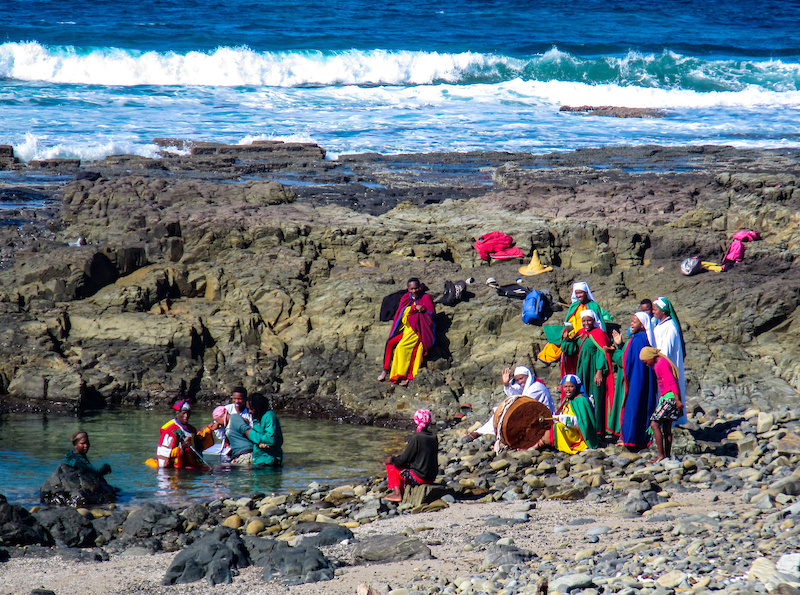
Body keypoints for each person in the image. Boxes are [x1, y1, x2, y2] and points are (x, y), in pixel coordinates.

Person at [538, 281, 613, 377]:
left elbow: (599, 324)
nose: (578, 295)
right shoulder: (574, 306)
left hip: (587, 336)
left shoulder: (593, 306)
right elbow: (569, 321)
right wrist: (570, 333)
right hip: (573, 335)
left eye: (580, 293)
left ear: (586, 293)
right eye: (576, 293)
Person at [561, 309, 615, 439]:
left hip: (594, 370)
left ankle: (597, 429)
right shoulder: (579, 334)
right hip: (581, 370)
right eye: (584, 321)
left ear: (594, 321)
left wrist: (599, 371)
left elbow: (602, 353)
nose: (586, 323)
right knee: (581, 396)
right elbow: (571, 350)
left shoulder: (600, 334)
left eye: (589, 320)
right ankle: (582, 425)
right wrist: (568, 340)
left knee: (596, 396)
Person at [611, 313, 659, 449]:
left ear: (643, 325)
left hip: (636, 380)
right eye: (631, 322)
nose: (631, 324)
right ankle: (641, 438)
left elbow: (626, 361)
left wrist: (616, 349)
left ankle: (630, 439)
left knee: (633, 407)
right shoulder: (645, 338)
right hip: (643, 378)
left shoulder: (637, 340)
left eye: (634, 322)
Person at [468, 366, 555, 440]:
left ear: (528, 376)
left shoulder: (536, 388)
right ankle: (480, 432)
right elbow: (515, 393)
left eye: (521, 378)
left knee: (504, 415)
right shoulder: (527, 387)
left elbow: (523, 404)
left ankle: (484, 433)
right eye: (517, 380)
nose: (520, 382)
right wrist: (506, 384)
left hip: (541, 418)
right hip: (531, 414)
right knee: (499, 414)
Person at [378, 278, 436, 386]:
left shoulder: (426, 297)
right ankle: (385, 369)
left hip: (419, 330)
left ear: (419, 287)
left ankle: (405, 374)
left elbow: (431, 315)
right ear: (408, 289)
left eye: (416, 288)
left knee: (403, 348)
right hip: (406, 328)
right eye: (411, 289)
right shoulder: (405, 297)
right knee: (390, 342)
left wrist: (422, 310)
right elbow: (401, 312)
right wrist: (413, 308)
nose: (414, 291)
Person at [383, 409, 438, 502]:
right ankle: (401, 490)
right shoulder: (433, 437)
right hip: (431, 476)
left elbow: (403, 460)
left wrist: (391, 459)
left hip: (420, 477)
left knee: (391, 465)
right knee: (398, 462)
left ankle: (397, 494)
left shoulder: (417, 437)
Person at [639, 346, 683, 462]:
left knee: (654, 424)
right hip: (668, 397)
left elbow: (672, 381)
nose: (646, 364)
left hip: (669, 398)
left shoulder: (660, 364)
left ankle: (661, 455)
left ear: (651, 357)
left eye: (646, 361)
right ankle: (667, 455)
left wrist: (677, 400)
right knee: (667, 428)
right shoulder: (661, 362)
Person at [536, 375, 598, 453]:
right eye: (565, 387)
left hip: (578, 433)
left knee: (556, 426)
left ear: (576, 386)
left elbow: (582, 422)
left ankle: (539, 445)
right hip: (568, 428)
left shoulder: (581, 400)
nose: (568, 389)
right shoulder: (567, 400)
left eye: (571, 386)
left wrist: (562, 419)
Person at [652, 297, 687, 425]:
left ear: (663, 311)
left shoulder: (670, 327)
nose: (653, 311)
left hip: (664, 366)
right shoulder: (660, 324)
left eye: (656, 309)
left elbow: (666, 351)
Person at [156, 400, 216, 469]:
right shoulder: (170, 430)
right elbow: (164, 454)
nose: (186, 416)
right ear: (178, 413)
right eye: (184, 413)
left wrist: (208, 429)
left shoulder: (191, 429)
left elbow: (197, 446)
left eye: (188, 413)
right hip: (174, 468)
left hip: (189, 464)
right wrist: (182, 446)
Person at [209, 386, 253, 456]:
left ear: (245, 399)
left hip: (244, 446)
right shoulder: (226, 409)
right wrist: (219, 427)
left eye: (240, 399)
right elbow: (220, 436)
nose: (236, 401)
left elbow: (252, 431)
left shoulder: (249, 412)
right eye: (234, 399)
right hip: (228, 446)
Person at [245, 393, 283, 467]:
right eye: (248, 409)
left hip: (269, 459)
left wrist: (250, 433)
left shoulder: (269, 416)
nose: (249, 412)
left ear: (259, 407)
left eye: (252, 409)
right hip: (258, 457)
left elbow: (270, 439)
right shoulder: (257, 417)